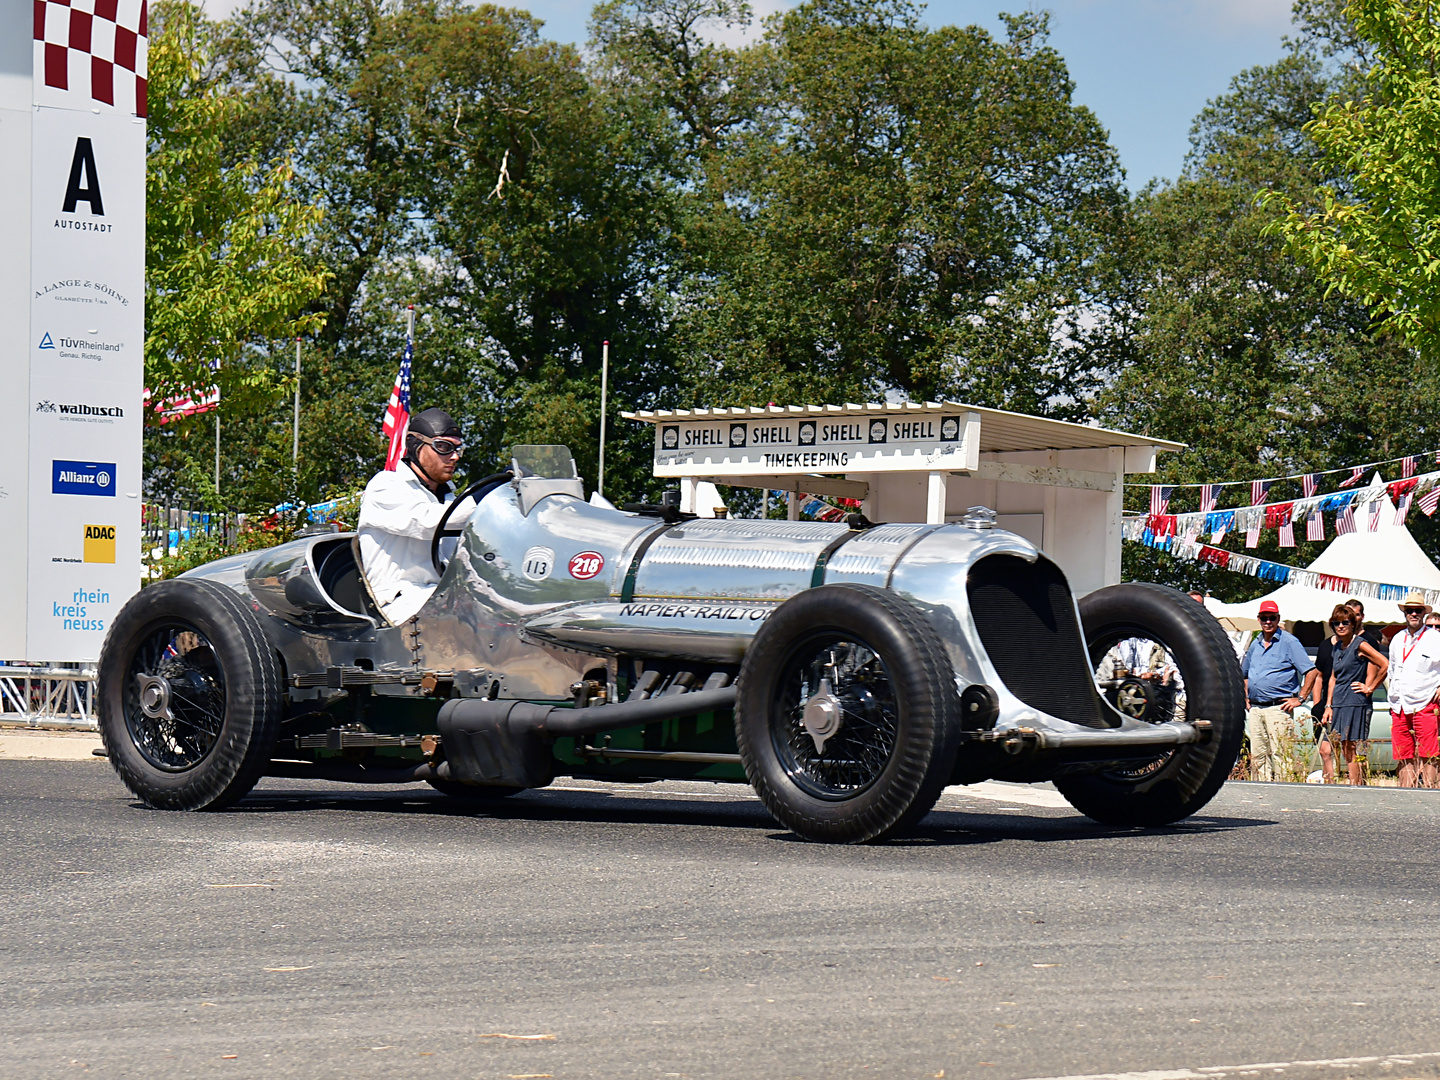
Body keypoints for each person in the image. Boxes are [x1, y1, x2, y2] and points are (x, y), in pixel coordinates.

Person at [357, 407, 474, 624]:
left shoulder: (448, 497)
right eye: (444, 447)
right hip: (398, 604)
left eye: (458, 448)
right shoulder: (385, 486)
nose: (455, 456)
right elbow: (429, 523)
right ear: (416, 446)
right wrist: (482, 497)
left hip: (441, 598)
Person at [1241, 600, 1315, 782]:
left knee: (1281, 754)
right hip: (1256, 708)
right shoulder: (1255, 643)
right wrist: (1246, 697)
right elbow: (1244, 674)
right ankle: (1261, 791)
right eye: (1264, 618)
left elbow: (1311, 671)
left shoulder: (1289, 642)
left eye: (1272, 618)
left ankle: (1283, 790)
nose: (1268, 622)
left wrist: (1300, 698)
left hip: (1279, 707)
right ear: (1258, 619)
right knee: (1258, 756)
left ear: (1278, 618)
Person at [1323, 603, 1388, 786]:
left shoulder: (1360, 644)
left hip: (1354, 701)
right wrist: (1328, 705)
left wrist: (1370, 687)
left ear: (1353, 624)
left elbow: (1384, 664)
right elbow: (1333, 677)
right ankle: (1339, 785)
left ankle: (1355, 786)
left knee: (1350, 748)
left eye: (1345, 622)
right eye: (1336, 623)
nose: (1340, 626)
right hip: (1338, 702)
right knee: (1333, 748)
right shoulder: (1337, 647)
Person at [1387, 593, 1440, 789]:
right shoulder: (1397, 638)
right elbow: (1392, 668)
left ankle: (1430, 791)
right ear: (1405, 613)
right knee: (1403, 752)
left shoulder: (1434, 638)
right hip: (1399, 702)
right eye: (1410, 610)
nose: (1414, 614)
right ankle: (1406, 792)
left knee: (1429, 752)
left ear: (1424, 613)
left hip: (1425, 701)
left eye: (1418, 610)